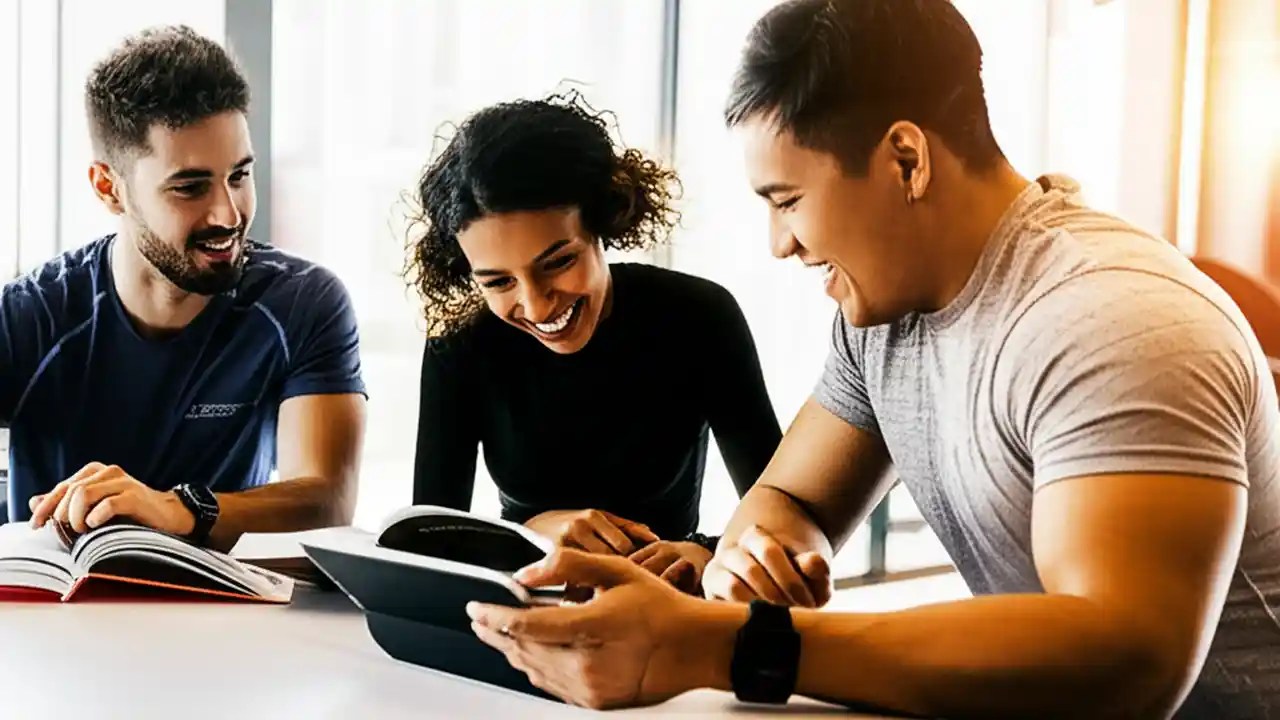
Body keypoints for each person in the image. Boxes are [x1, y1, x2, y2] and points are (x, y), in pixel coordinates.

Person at [464, 1, 1280, 717]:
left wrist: (731, 643)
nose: (780, 244)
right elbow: (791, 496)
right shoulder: (883, 314)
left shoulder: (1113, 319)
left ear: (906, 160)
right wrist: (754, 561)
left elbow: (1128, 662)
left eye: (787, 201)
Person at [5, 26, 367, 551]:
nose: (228, 213)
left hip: (223, 601)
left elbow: (326, 502)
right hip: (52, 597)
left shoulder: (303, 303)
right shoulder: (29, 315)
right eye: (190, 187)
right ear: (109, 188)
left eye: (239, 176)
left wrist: (174, 508)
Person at [405, 93, 781, 591]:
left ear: (604, 220)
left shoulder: (698, 316)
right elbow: (427, 541)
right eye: (498, 282)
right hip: (525, 603)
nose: (536, 306)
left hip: (668, 600)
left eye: (559, 261)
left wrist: (705, 553)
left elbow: (781, 512)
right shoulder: (459, 344)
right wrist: (532, 533)